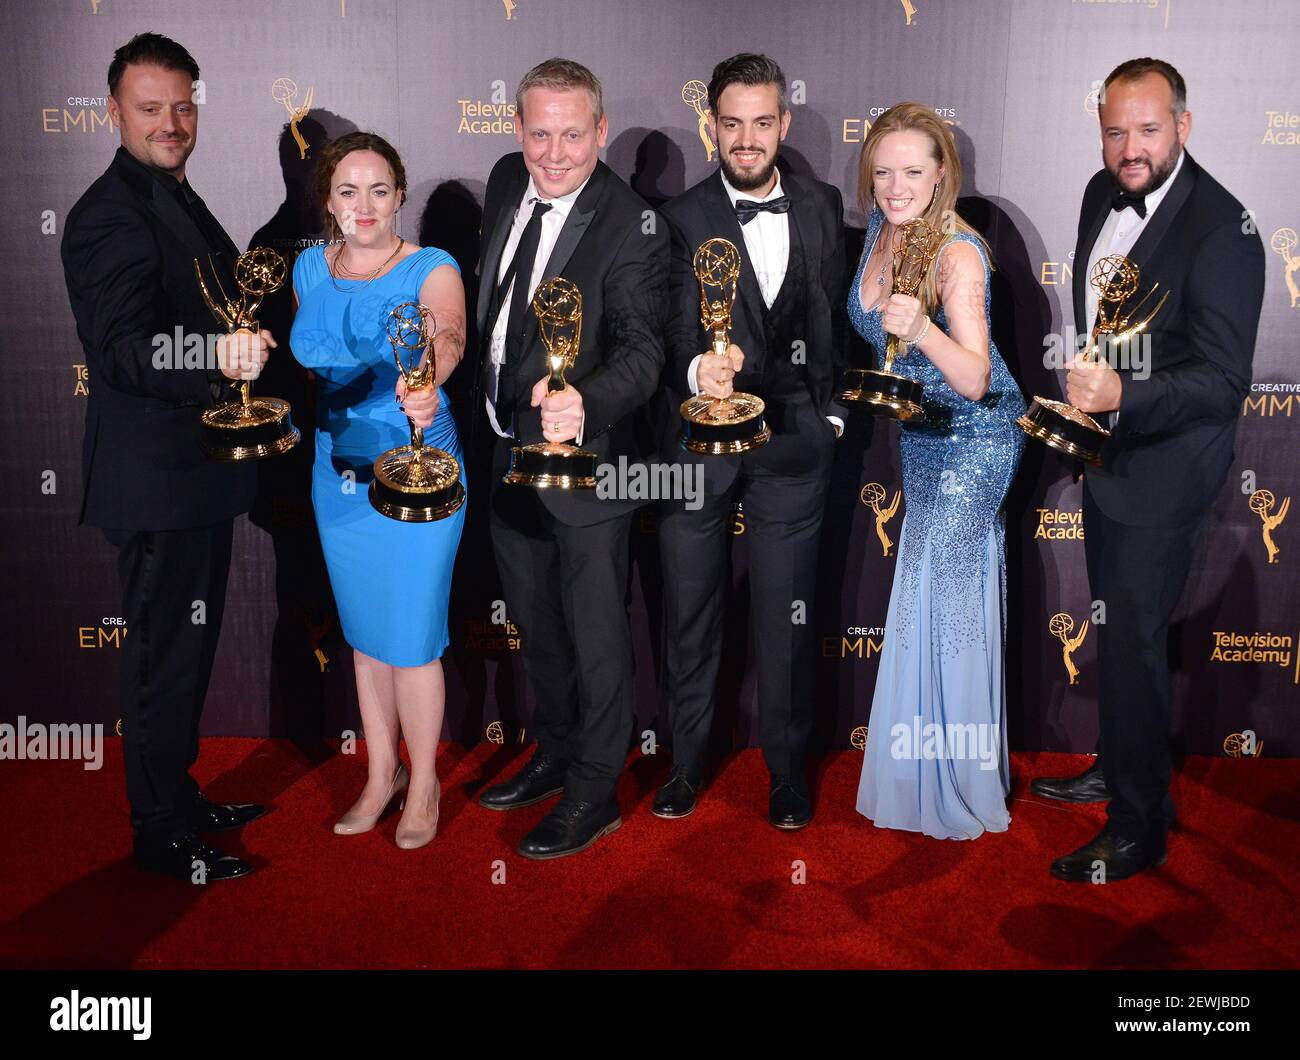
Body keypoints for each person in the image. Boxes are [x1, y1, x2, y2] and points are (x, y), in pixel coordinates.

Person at [1032, 58, 1264, 881]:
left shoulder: (1224, 228)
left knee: (1129, 639)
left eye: (1148, 129)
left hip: (1168, 469)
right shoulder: (1103, 194)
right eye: (1114, 130)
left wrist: (1123, 392)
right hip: (1110, 456)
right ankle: (1117, 762)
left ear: (1185, 127)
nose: (1129, 148)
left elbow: (1225, 380)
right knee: (1118, 631)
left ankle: (1138, 826)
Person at [61, 33, 270, 883]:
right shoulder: (109, 213)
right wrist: (214, 359)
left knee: (184, 652)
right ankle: (158, 832)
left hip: (196, 476)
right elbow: (121, 350)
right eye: (151, 109)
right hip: (155, 481)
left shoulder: (176, 197)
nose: (171, 122)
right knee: (157, 660)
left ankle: (177, 796)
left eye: (184, 105)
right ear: (113, 112)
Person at [472, 58, 668, 859]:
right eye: (540, 134)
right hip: (503, 450)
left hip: (591, 461)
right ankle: (553, 753)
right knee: (536, 625)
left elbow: (643, 350)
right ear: (517, 130)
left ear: (602, 130)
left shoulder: (630, 223)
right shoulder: (499, 185)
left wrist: (588, 401)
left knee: (595, 632)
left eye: (573, 135)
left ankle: (595, 792)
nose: (555, 153)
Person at [653, 53, 850, 829]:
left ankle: (788, 773)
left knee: (787, 613)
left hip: (796, 440)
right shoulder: (676, 218)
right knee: (691, 608)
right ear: (711, 125)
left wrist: (832, 415)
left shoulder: (823, 203)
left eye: (761, 122)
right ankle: (685, 764)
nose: (746, 138)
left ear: (784, 123)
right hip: (700, 440)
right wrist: (703, 367)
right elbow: (667, 331)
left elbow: (833, 315)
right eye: (730, 123)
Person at [851, 102, 1026, 840]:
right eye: (884, 171)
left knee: (944, 598)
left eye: (913, 172)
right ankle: (916, 775)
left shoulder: (957, 253)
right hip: (921, 438)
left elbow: (979, 378)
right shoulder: (881, 233)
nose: (896, 186)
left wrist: (922, 327)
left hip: (974, 439)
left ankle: (956, 780)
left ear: (941, 174)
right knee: (921, 592)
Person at [290, 131, 467, 850]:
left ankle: (423, 781)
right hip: (337, 475)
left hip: (418, 466)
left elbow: (446, 333)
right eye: (348, 192)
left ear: (401, 195)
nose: (364, 207)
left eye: (380, 191)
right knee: (365, 640)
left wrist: (428, 381)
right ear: (329, 202)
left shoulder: (431, 265)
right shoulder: (308, 267)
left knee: (414, 639)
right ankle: (380, 773)